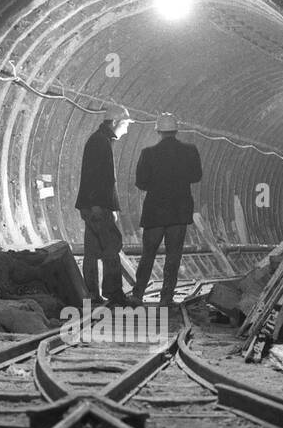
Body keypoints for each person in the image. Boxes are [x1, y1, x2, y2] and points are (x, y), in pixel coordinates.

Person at [131, 113, 202, 306]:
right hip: (179, 212)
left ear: (158, 130)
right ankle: (166, 297)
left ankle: (138, 294)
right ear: (176, 129)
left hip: (155, 211)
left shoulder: (148, 153)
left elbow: (141, 182)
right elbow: (197, 176)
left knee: (148, 254)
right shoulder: (190, 150)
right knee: (173, 256)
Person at [74, 104, 132, 305]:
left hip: (92, 206)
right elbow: (97, 178)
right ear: (114, 122)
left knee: (92, 250)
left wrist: (90, 206)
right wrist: (100, 206)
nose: (126, 129)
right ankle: (114, 294)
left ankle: (93, 294)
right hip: (98, 207)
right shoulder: (101, 142)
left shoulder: (99, 140)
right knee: (111, 248)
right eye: (124, 124)